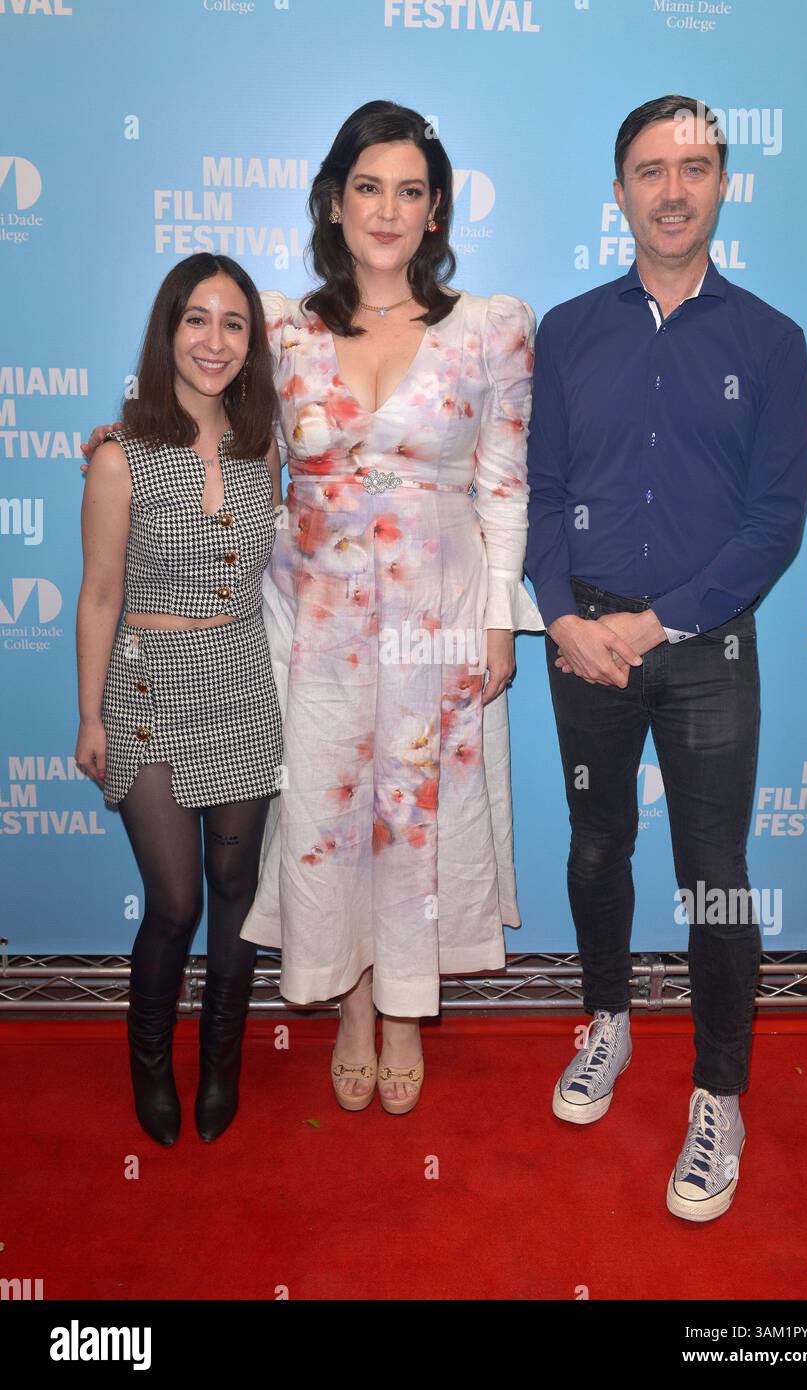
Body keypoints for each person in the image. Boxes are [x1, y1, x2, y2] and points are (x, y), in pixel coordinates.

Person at [525, 95, 807, 1219]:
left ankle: (720, 1092)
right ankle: (606, 1020)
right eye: (650, 170)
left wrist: (660, 624)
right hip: (584, 643)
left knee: (716, 876)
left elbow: (774, 522)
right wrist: (560, 616)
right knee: (598, 846)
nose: (673, 189)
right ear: (620, 192)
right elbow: (542, 493)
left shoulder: (771, 341)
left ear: (723, 183)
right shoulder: (570, 331)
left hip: (703, 653)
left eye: (694, 167)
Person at [238, 100, 545, 1114]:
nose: (387, 208)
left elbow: (504, 481)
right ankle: (356, 1003)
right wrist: (126, 443)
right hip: (315, 620)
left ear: (437, 210)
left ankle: (407, 1007)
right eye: (368, 186)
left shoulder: (489, 329)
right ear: (334, 200)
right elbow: (234, 450)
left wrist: (500, 616)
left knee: (418, 810)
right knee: (326, 810)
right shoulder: (282, 326)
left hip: (438, 613)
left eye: (410, 190)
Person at [76, 253, 283, 1147]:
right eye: (196, 320)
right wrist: (90, 717)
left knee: (235, 891)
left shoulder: (261, 444)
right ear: (167, 333)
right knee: (175, 903)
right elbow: (96, 595)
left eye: (233, 323)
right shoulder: (120, 454)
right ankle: (150, 1062)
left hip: (240, 683)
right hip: (149, 693)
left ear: (252, 343)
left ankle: (223, 1062)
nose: (214, 340)